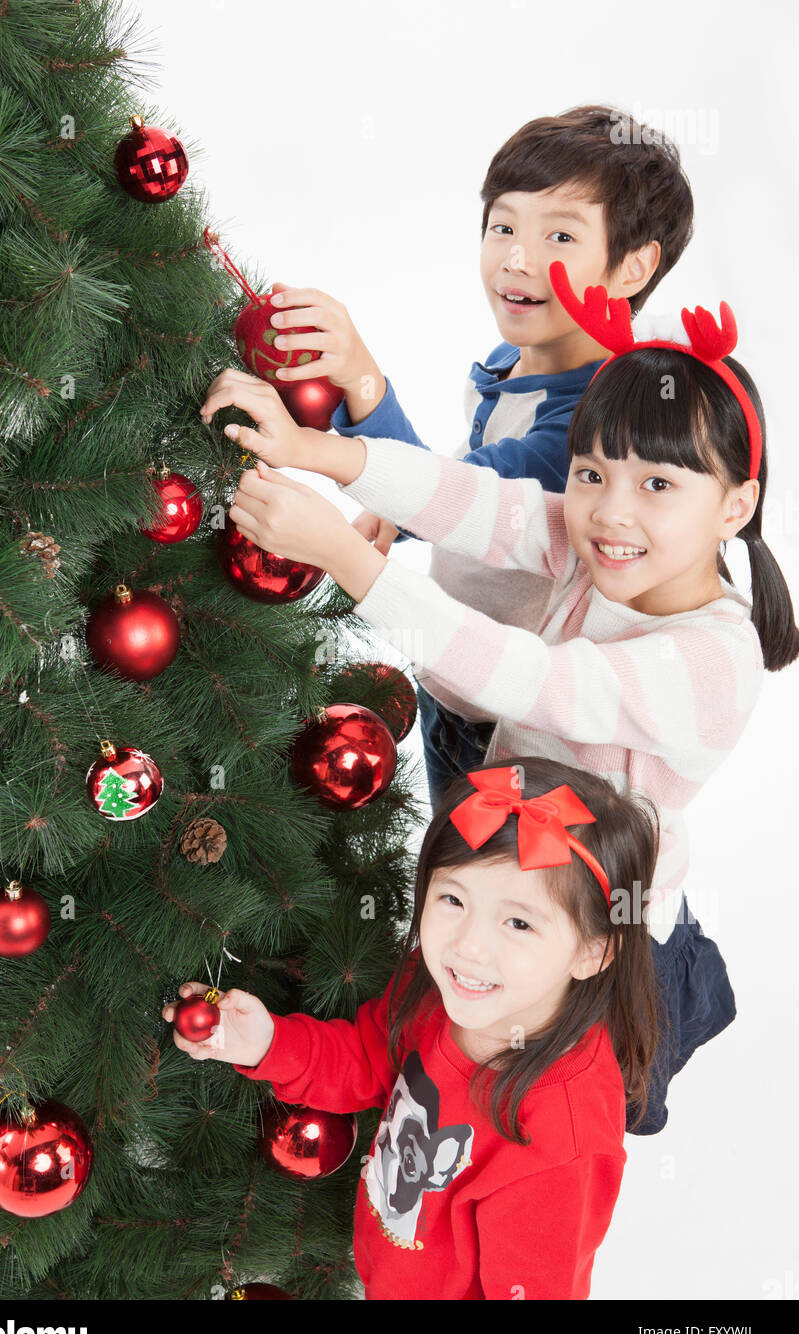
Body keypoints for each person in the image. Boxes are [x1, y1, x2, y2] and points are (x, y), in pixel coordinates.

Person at [197, 265, 799, 1133]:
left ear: (736, 505)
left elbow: (535, 681)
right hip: (519, 851)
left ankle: (682, 996)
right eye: (592, 474)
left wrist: (349, 559)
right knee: (483, 1047)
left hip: (603, 913)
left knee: (585, 1102)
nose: (610, 513)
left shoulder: (713, 661)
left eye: (659, 486)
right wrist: (313, 451)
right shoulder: (595, 544)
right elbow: (479, 503)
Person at [250, 105, 695, 809]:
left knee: (505, 897)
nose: (516, 257)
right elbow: (473, 479)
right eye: (503, 226)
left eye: (558, 235)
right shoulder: (513, 362)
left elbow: (464, 501)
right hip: (452, 683)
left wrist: (364, 381)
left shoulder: (599, 425)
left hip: (506, 725)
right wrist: (401, 508)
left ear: (634, 265)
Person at [162, 756, 662, 1300]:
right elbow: (369, 1056)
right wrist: (268, 1042)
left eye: (518, 922)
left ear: (592, 952)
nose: (469, 946)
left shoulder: (560, 1140)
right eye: (453, 899)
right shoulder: (439, 988)